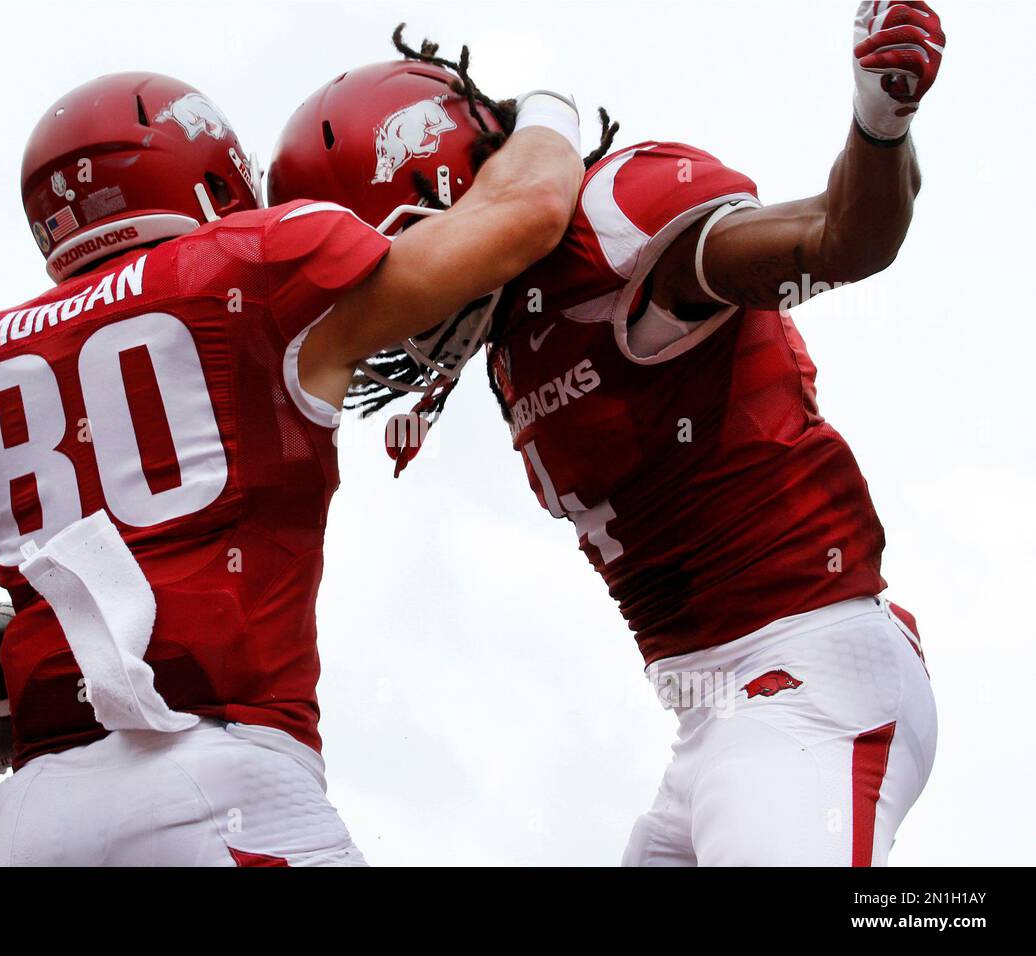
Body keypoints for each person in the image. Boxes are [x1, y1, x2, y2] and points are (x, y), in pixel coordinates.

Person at [267, 2, 945, 865]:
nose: (383, 307)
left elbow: (843, 239)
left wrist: (880, 120)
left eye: (382, 265)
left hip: (808, 680)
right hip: (714, 720)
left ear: (447, 192)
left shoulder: (613, 225)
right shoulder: (511, 334)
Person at [0, 70, 583, 865]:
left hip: (37, 819)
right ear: (211, 179)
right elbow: (529, 212)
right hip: (224, 784)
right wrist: (547, 108)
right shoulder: (259, 266)